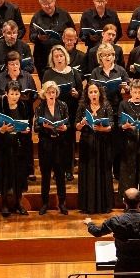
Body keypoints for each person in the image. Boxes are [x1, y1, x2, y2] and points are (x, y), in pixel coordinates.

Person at [42, 44, 82, 182]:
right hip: (54, 110)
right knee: (56, 142)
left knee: (69, 141)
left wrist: (76, 93)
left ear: (66, 57)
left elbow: (81, 93)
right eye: (56, 56)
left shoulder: (73, 72)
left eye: (61, 55)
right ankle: (57, 170)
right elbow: (44, 92)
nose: (59, 58)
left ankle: (69, 170)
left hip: (70, 109)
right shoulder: (48, 73)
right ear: (52, 59)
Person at [0, 80, 32, 216]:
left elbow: (26, 123)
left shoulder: (22, 106)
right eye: (12, 93)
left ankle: (18, 203)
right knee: (5, 176)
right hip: (4, 148)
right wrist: (2, 130)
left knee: (19, 175)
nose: (15, 96)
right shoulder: (0, 107)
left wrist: (25, 129)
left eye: (17, 93)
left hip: (18, 147)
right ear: (6, 94)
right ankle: (4, 203)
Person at [76, 83, 115, 214]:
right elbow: (76, 126)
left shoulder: (106, 105)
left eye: (95, 92)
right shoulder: (83, 106)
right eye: (91, 92)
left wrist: (101, 128)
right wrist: (82, 123)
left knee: (103, 171)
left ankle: (104, 205)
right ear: (87, 94)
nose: (93, 94)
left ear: (100, 93)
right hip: (87, 143)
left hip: (103, 143)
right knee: (88, 171)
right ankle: (88, 205)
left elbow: (111, 125)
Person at [35, 81, 71, 214]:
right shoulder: (40, 107)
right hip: (46, 145)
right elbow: (36, 127)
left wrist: (65, 127)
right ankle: (44, 203)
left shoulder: (62, 105)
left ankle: (62, 203)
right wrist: (44, 126)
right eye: (49, 92)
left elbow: (68, 123)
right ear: (44, 93)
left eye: (54, 92)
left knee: (60, 176)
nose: (51, 94)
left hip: (60, 145)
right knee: (45, 176)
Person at [29, 0, 74, 78]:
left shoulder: (64, 14)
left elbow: (73, 32)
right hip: (42, 58)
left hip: (62, 56)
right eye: (44, 4)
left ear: (54, 0)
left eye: (49, 3)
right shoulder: (36, 17)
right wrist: (39, 37)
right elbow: (31, 36)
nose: (47, 6)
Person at [0, 20, 32, 85]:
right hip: (0, 82)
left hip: (20, 81)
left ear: (17, 33)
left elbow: (31, 67)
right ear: (3, 33)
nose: (12, 36)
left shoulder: (24, 46)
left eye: (14, 33)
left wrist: (17, 69)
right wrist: (4, 67)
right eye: (9, 33)